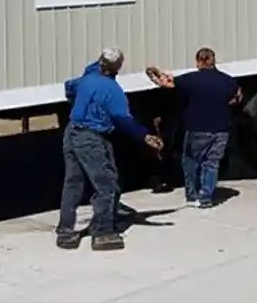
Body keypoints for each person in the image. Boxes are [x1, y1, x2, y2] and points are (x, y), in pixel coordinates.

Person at [57, 47, 162, 251]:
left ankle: (65, 231)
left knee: (73, 183)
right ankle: (102, 232)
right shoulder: (112, 90)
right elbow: (123, 119)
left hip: (72, 132)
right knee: (107, 186)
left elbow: (69, 87)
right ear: (118, 67)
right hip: (92, 137)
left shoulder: (87, 78)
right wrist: (145, 136)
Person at [146, 47, 241, 209]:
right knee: (211, 163)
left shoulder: (190, 80)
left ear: (198, 62)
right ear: (213, 60)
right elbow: (237, 98)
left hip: (197, 128)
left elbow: (166, 83)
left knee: (191, 161)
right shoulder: (228, 81)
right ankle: (206, 198)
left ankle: (192, 195)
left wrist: (153, 72)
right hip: (221, 129)